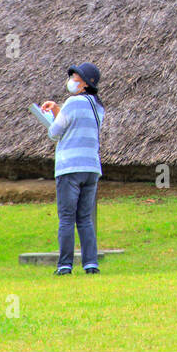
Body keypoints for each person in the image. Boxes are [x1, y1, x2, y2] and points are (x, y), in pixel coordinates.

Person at [41, 62, 104, 276]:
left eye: (76, 77)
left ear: (85, 83)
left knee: (67, 217)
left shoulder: (72, 102)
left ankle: (65, 265)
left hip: (69, 167)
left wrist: (52, 116)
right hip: (91, 167)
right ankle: (90, 264)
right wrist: (59, 110)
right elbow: (76, 124)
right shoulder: (98, 106)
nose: (72, 81)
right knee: (85, 218)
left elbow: (55, 132)